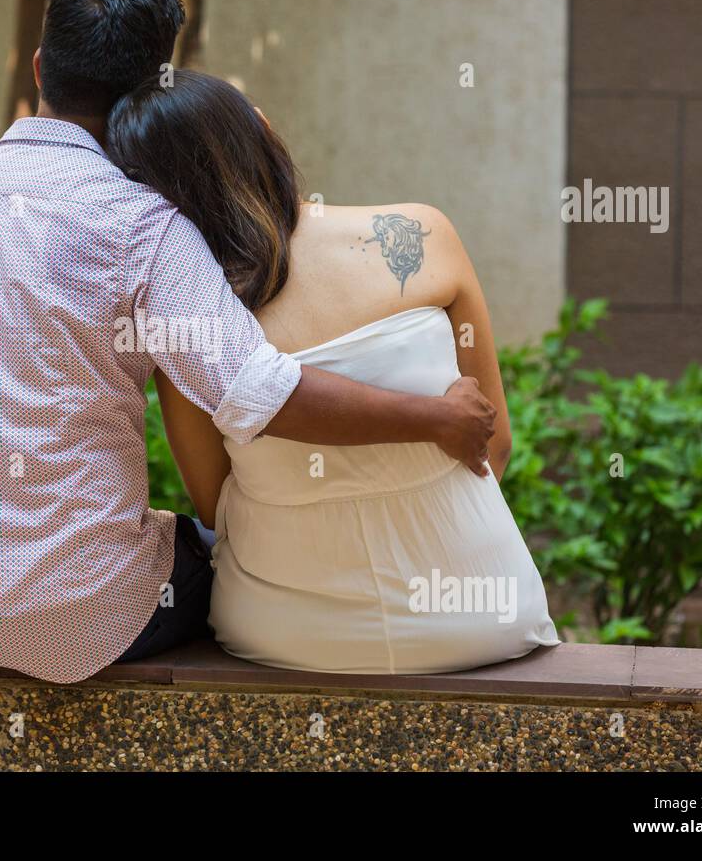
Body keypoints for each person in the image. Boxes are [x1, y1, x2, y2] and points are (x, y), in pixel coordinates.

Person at [0, 0, 498, 685]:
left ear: (44, 66)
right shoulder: (141, 226)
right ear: (157, 85)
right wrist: (437, 418)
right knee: (219, 554)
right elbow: (259, 394)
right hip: (94, 618)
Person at [105, 70, 560, 674]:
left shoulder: (190, 328)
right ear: (264, 130)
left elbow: (216, 509)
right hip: (483, 619)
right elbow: (493, 445)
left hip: (285, 633)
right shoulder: (422, 234)